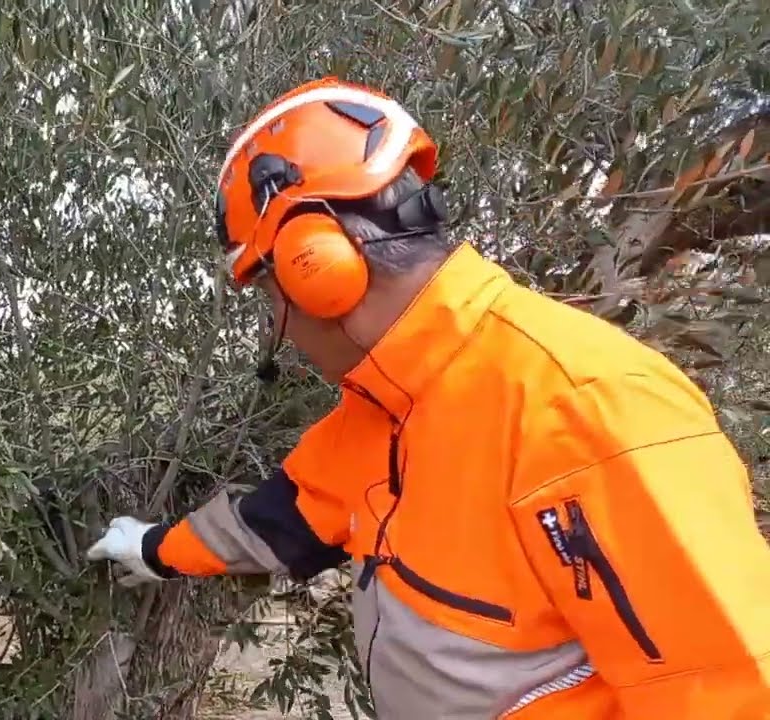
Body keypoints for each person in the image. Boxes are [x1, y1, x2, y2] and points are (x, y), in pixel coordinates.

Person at [86, 77, 770, 719]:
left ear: (315, 270)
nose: (277, 331)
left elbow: (730, 691)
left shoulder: (586, 408)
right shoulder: (382, 413)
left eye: (271, 301)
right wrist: (152, 550)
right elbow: (280, 519)